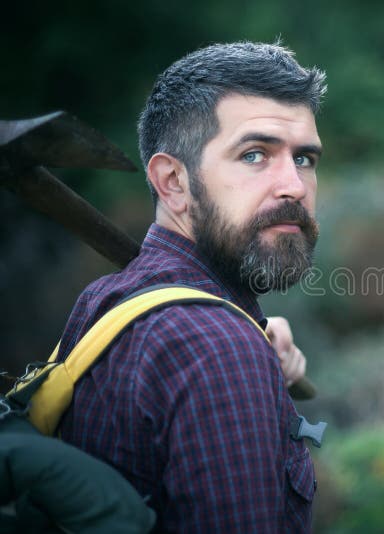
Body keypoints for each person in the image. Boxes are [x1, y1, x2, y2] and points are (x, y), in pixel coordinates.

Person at [54, 41, 326, 532]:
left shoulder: (106, 302)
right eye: (255, 154)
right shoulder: (216, 349)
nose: (294, 186)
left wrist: (254, 348)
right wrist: (238, 352)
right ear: (173, 181)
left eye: (304, 158)